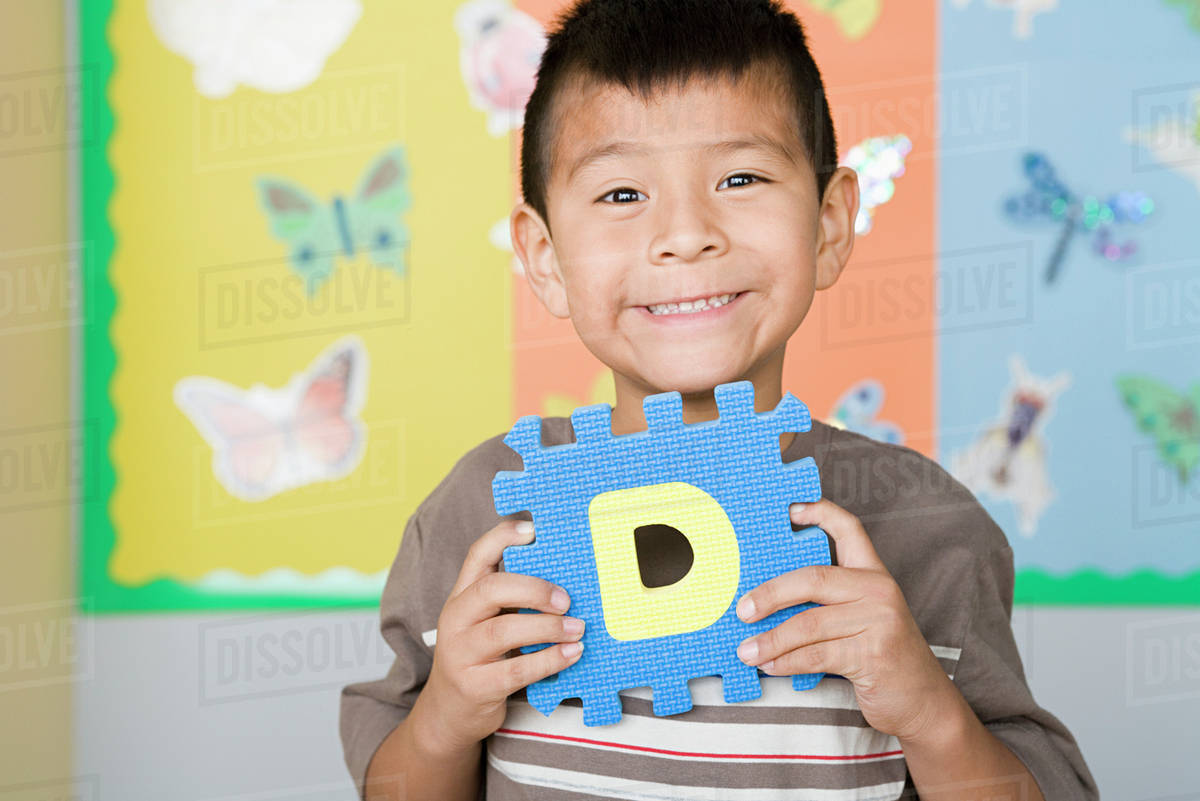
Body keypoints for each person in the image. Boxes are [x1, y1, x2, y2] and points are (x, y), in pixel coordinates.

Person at [339, 0, 1099, 798]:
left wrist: (927, 709)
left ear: (831, 224)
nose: (686, 232)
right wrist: (446, 717)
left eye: (741, 178)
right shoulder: (477, 519)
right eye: (622, 194)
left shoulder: (929, 531)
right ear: (545, 257)